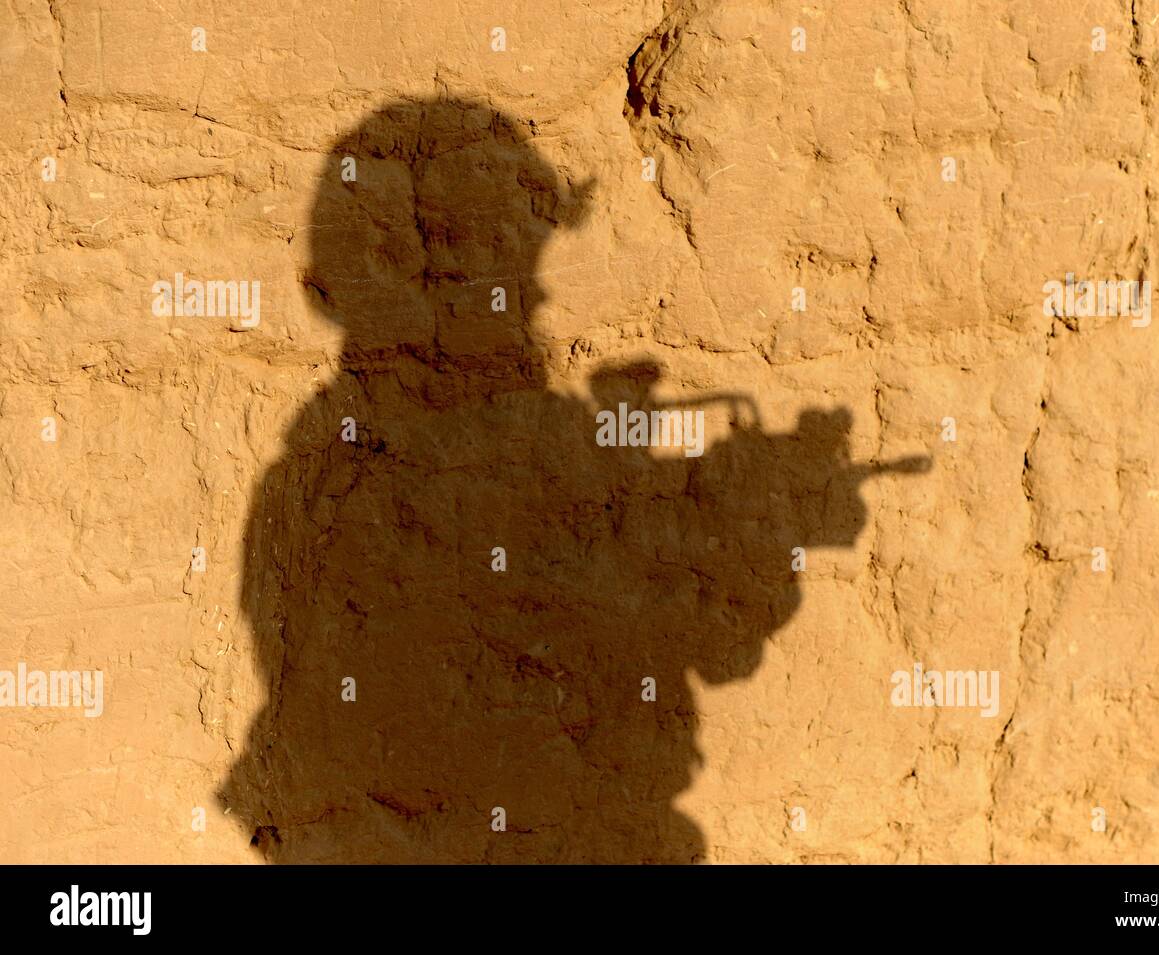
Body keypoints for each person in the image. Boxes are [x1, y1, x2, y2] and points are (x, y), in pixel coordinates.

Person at [221, 96, 917, 863]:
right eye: (501, 254)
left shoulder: (357, 445)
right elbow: (699, 647)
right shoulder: (432, 459)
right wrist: (750, 535)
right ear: (426, 267)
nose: (539, 290)